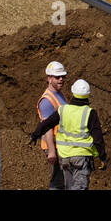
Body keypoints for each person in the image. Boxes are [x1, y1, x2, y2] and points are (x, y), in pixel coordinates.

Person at [30, 78, 107, 190]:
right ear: (88, 95)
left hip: (64, 157)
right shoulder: (90, 113)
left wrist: (35, 135)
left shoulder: (63, 110)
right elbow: (98, 138)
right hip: (81, 157)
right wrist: (103, 157)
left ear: (73, 92)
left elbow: (46, 124)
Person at [37, 61, 68, 190]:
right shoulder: (47, 101)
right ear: (49, 79)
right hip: (54, 146)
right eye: (57, 77)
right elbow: (47, 127)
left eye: (63, 76)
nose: (61, 79)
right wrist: (51, 151)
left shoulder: (60, 94)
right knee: (57, 182)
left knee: (63, 181)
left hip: (62, 145)